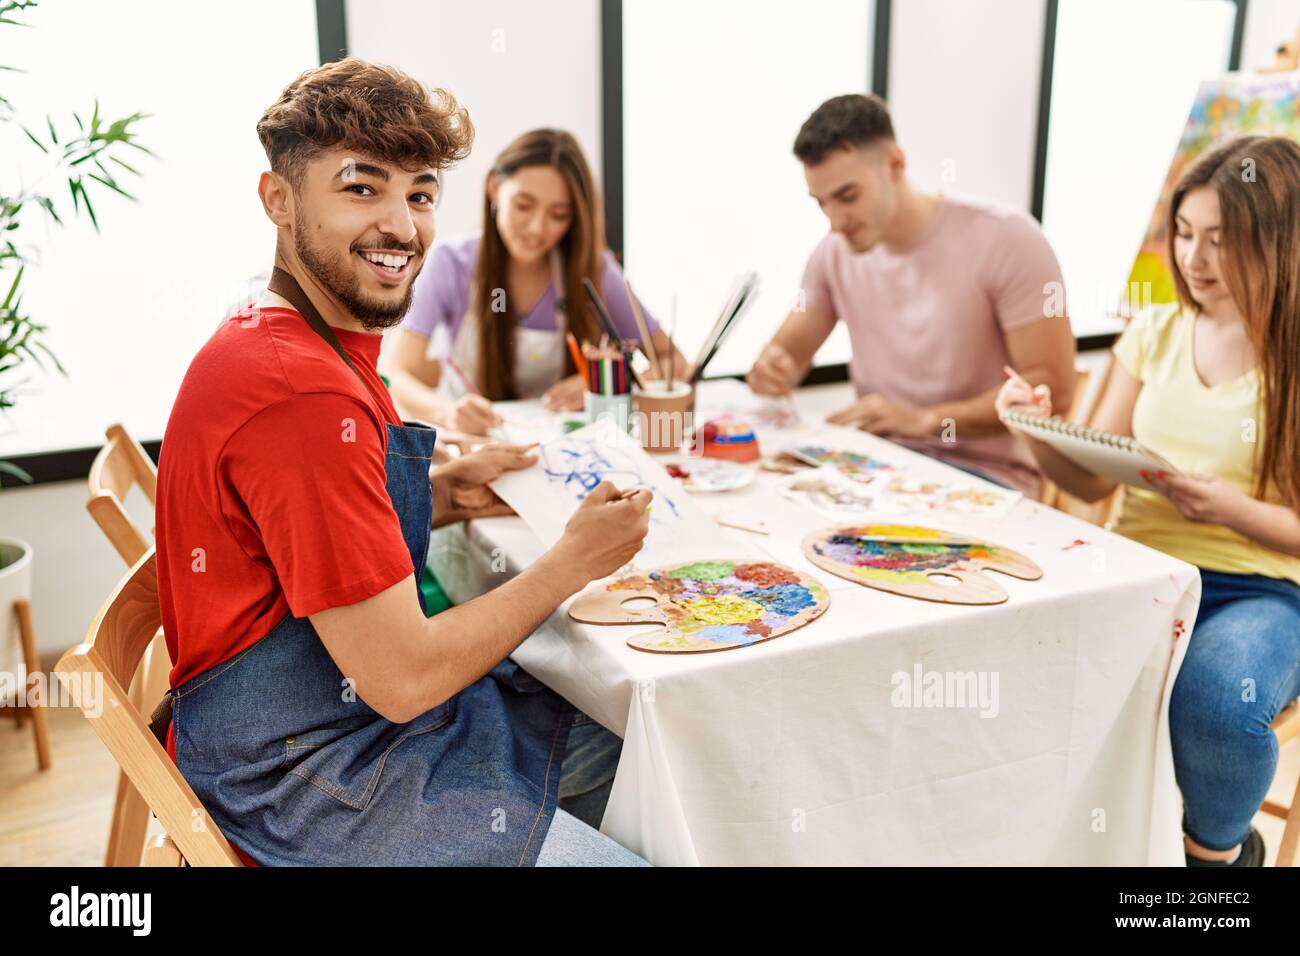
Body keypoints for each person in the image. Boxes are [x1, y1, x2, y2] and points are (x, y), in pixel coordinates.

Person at [154, 58, 652, 866]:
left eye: (419, 194)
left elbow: (309, 531)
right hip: (308, 770)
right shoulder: (299, 393)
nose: (402, 226)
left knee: (657, 746)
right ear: (278, 201)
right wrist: (570, 563)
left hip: (359, 722)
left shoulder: (299, 334)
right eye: (362, 188)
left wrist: (445, 494)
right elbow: (404, 677)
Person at [998, 135, 1300, 867]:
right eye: (1186, 235)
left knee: (1219, 703)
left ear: (1279, 242)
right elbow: (1092, 479)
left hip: (1256, 589)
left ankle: (1214, 861)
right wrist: (1031, 427)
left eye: (1221, 241)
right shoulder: (1156, 330)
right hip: (1138, 570)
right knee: (1008, 655)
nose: (1193, 261)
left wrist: (1229, 508)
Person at [746, 93, 1077, 497]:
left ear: (896, 165)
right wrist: (775, 366)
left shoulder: (1008, 240)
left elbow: (1053, 388)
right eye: (822, 203)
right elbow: (788, 353)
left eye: (848, 197)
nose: (835, 220)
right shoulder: (834, 252)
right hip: (877, 471)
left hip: (984, 480)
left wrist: (920, 420)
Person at [385, 128, 686, 435]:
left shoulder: (592, 270)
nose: (536, 228)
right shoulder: (450, 262)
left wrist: (598, 383)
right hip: (470, 446)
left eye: (558, 215)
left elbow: (673, 360)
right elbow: (398, 372)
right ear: (494, 188)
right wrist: (447, 412)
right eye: (523, 206)